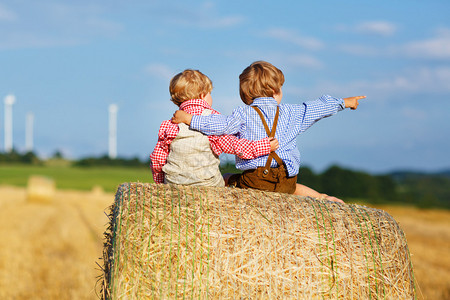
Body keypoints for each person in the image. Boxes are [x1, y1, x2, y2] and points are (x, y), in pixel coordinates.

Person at [172, 61, 366, 203]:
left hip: (256, 180)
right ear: (276, 91)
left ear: (245, 95)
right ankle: (323, 198)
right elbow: (318, 108)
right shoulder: (293, 112)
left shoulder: (243, 114)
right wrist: (345, 102)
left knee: (227, 178)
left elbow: (220, 126)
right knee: (292, 189)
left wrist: (189, 119)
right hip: (287, 180)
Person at [150, 69, 279, 187]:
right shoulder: (212, 120)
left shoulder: (169, 124)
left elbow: (157, 158)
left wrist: (161, 184)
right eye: (210, 93)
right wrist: (264, 146)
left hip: (174, 184)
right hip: (207, 184)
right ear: (202, 95)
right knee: (225, 182)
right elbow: (234, 146)